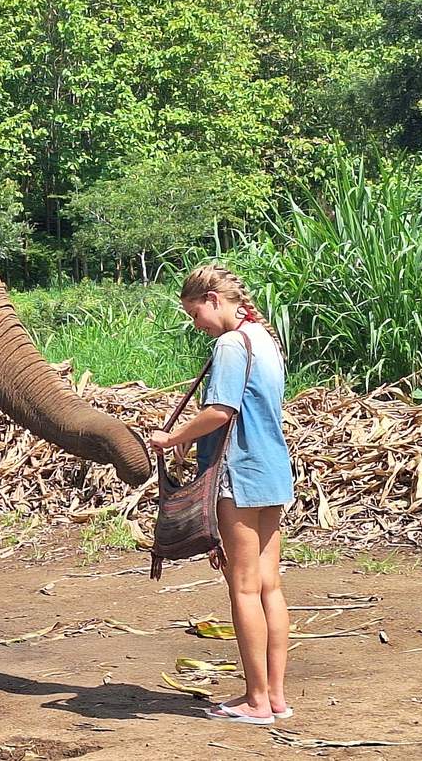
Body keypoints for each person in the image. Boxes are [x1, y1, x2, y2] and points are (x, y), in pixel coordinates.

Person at [147, 264, 294, 725]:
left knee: (243, 587)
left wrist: (173, 438)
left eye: (195, 314)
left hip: (239, 475)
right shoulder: (264, 339)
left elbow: (220, 411)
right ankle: (276, 697)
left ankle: (256, 701)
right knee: (269, 586)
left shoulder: (231, 344)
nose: (197, 325)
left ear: (213, 299)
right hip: (272, 472)